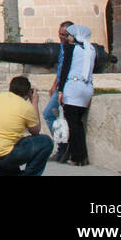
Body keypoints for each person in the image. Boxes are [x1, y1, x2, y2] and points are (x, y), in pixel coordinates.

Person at [0, 75, 53, 176]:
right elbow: (36, 131)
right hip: (4, 156)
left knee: (14, 144)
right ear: (27, 92)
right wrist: (34, 102)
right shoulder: (25, 107)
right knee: (46, 142)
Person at [61, 23, 96, 167]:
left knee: (73, 125)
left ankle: (77, 157)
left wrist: (60, 90)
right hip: (86, 88)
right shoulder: (91, 49)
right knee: (78, 124)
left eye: (69, 35)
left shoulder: (72, 49)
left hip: (73, 88)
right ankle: (83, 157)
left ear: (74, 37)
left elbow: (65, 69)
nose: (67, 38)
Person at [45, 20, 74, 161]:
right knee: (55, 115)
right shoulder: (63, 48)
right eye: (59, 34)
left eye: (64, 35)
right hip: (60, 86)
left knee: (49, 114)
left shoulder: (74, 48)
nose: (61, 37)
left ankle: (63, 146)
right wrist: (54, 85)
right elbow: (60, 69)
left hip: (67, 87)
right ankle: (62, 147)